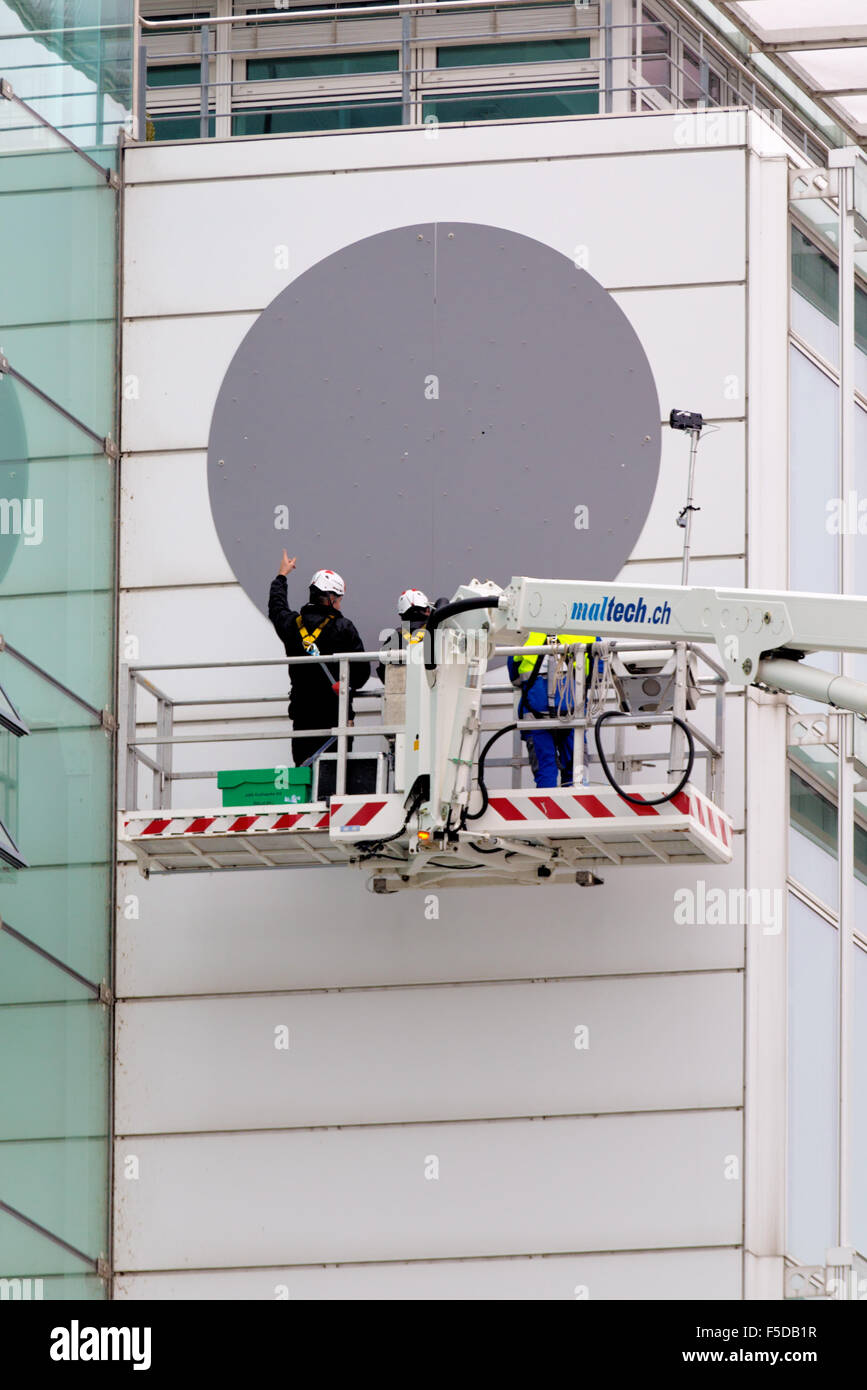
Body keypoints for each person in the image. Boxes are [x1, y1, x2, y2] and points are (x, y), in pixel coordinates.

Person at [268, 551, 369, 766]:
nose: (340, 604)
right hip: (336, 716)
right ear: (331, 599)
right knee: (335, 779)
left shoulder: (292, 625)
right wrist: (347, 685)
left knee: (304, 775)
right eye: (339, 599)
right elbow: (362, 673)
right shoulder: (344, 628)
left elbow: (276, 608)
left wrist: (282, 576)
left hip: (302, 718)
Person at [507, 631, 594, 789]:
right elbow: (597, 674)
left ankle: (548, 810)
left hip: (535, 715)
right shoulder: (586, 631)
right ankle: (578, 809)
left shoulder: (523, 635)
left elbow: (514, 677)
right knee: (577, 771)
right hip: (573, 713)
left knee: (545, 770)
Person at [376, 588, 432, 683]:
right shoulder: (438, 631)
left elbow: (384, 674)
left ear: (401, 614)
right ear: (427, 610)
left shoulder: (393, 638)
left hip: (400, 695)